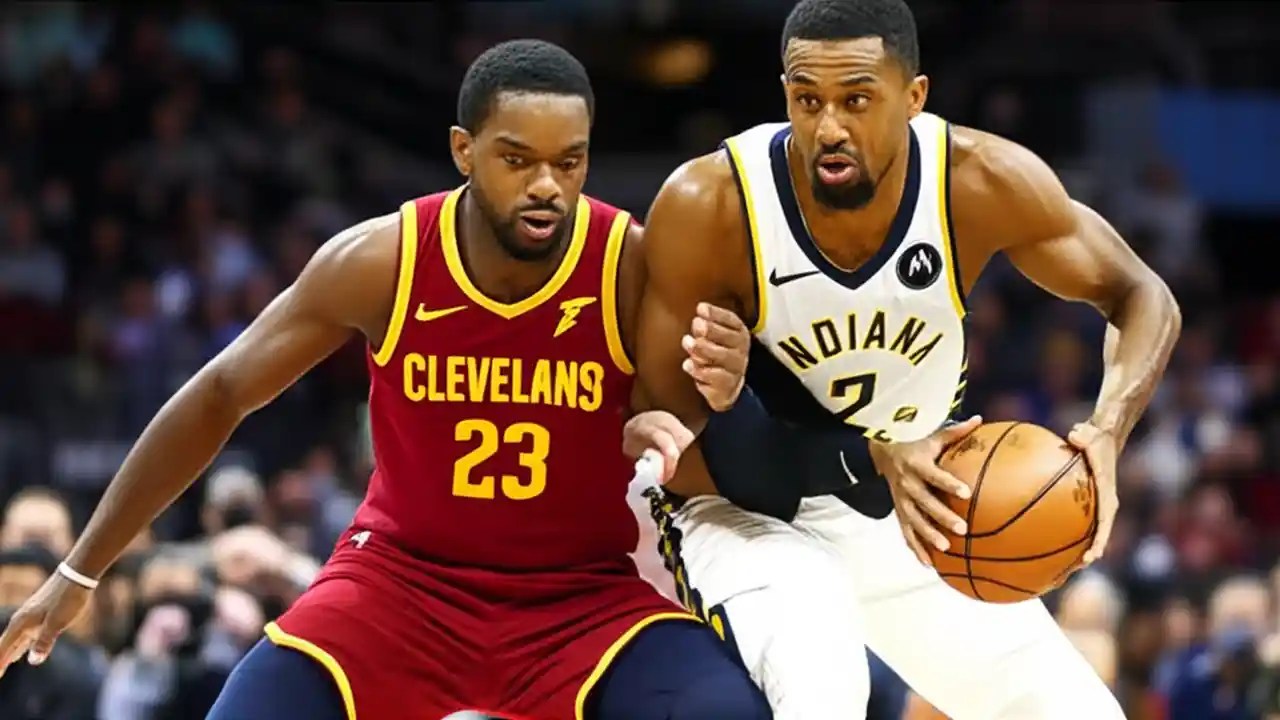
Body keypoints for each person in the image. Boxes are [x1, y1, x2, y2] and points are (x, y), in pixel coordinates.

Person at [0, 40, 770, 720]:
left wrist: (726, 386)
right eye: (517, 159)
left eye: (568, 162)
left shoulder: (628, 265)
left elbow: (696, 425)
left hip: (579, 596)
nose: (546, 186)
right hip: (402, 585)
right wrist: (79, 568)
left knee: (722, 709)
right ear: (463, 150)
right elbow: (220, 392)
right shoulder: (383, 261)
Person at [622, 0, 1180, 718]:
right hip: (742, 515)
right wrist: (860, 453)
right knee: (823, 688)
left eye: (857, 100)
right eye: (806, 99)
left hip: (909, 509)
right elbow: (677, 447)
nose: (828, 127)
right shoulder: (713, 204)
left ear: (914, 97)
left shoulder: (981, 181)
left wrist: (1108, 429)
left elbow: (1141, 294)